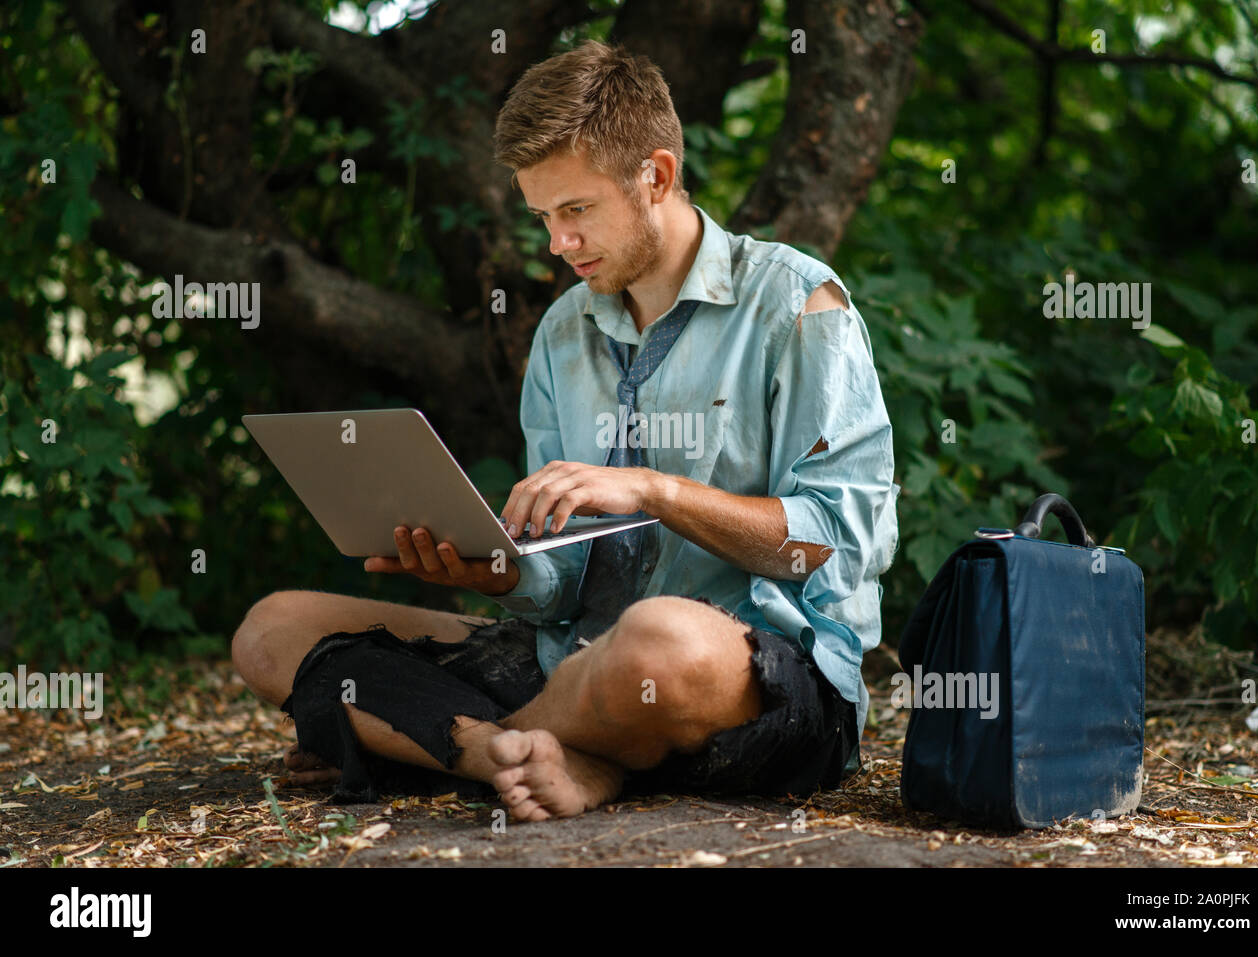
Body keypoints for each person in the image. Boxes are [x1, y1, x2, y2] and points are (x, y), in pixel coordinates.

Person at [232, 39, 899, 822]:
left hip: (748, 678)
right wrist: (503, 573)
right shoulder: (560, 333)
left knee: (659, 640)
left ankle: (449, 741)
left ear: (655, 175)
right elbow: (565, 580)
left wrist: (654, 489)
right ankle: (537, 755)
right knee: (273, 629)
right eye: (543, 216)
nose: (557, 243)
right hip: (574, 669)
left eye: (576, 210)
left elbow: (840, 543)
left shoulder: (796, 303)